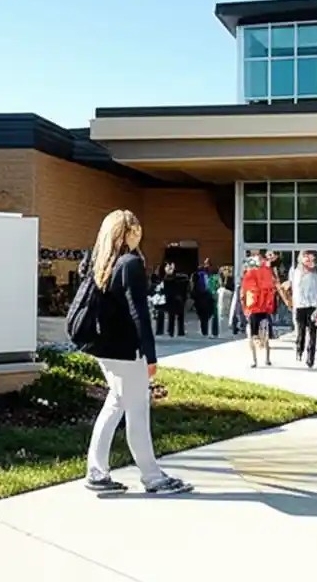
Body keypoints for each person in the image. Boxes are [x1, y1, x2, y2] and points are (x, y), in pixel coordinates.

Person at [81, 210, 190, 495]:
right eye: (136, 227)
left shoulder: (99, 262)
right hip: (126, 351)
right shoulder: (129, 263)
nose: (140, 232)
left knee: (115, 405)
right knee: (137, 411)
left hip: (105, 349)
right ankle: (152, 477)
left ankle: (96, 471)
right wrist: (150, 356)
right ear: (128, 231)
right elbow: (139, 313)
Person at [288, 250, 317, 368]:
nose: (310, 261)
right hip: (300, 306)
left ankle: (311, 359)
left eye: (312, 259)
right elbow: (294, 289)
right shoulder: (295, 272)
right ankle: (299, 350)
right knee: (301, 331)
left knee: (313, 333)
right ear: (301, 259)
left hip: (313, 306)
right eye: (307, 258)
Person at [240, 249, 278, 367]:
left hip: (262, 308)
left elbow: (272, 286)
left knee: (264, 335)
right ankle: (255, 360)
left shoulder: (266, 271)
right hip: (253, 309)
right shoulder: (251, 273)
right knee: (253, 335)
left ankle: (266, 358)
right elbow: (244, 290)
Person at [159, 262, 189, 337]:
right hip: (178, 299)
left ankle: (171, 331)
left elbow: (165, 289)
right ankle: (180, 331)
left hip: (171, 299)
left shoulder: (167, 279)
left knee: (171, 316)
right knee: (179, 316)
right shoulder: (181, 278)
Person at [192, 258, 216, 336]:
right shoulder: (202, 275)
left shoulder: (208, 274)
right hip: (203, 296)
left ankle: (205, 330)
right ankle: (205, 330)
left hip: (204, 297)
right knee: (204, 315)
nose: (207, 266)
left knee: (204, 315)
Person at [216, 265, 235, 338]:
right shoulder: (230, 277)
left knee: (221, 314)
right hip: (229, 293)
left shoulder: (221, 277)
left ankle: (222, 332)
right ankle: (227, 332)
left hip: (222, 292)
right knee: (227, 313)